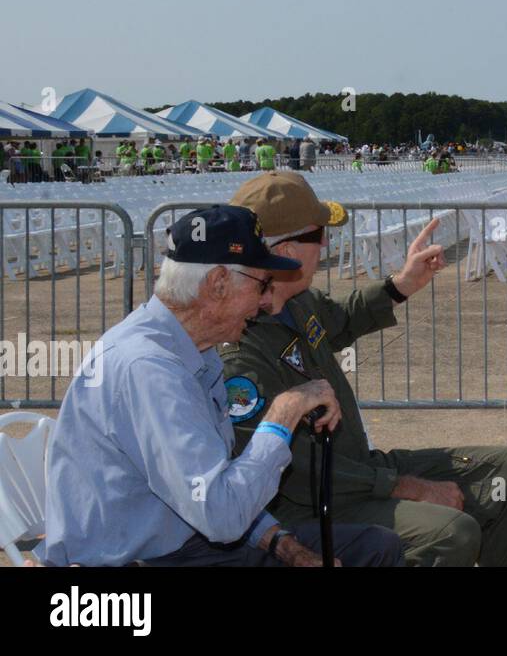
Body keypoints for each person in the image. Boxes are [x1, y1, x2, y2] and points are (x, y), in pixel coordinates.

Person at [40, 204, 402, 567]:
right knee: (370, 550)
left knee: (373, 546)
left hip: (188, 542)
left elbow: (217, 489)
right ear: (218, 284)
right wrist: (284, 412)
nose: (265, 301)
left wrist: (283, 544)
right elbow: (222, 514)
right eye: (261, 284)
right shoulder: (149, 368)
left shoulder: (189, 347)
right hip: (139, 561)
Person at [220, 173, 507, 566]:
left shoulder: (297, 302)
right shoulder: (241, 354)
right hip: (312, 501)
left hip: (355, 471)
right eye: (317, 235)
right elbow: (295, 471)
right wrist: (404, 487)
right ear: (286, 250)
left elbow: (340, 319)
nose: (326, 242)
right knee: (448, 535)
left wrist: (400, 285)